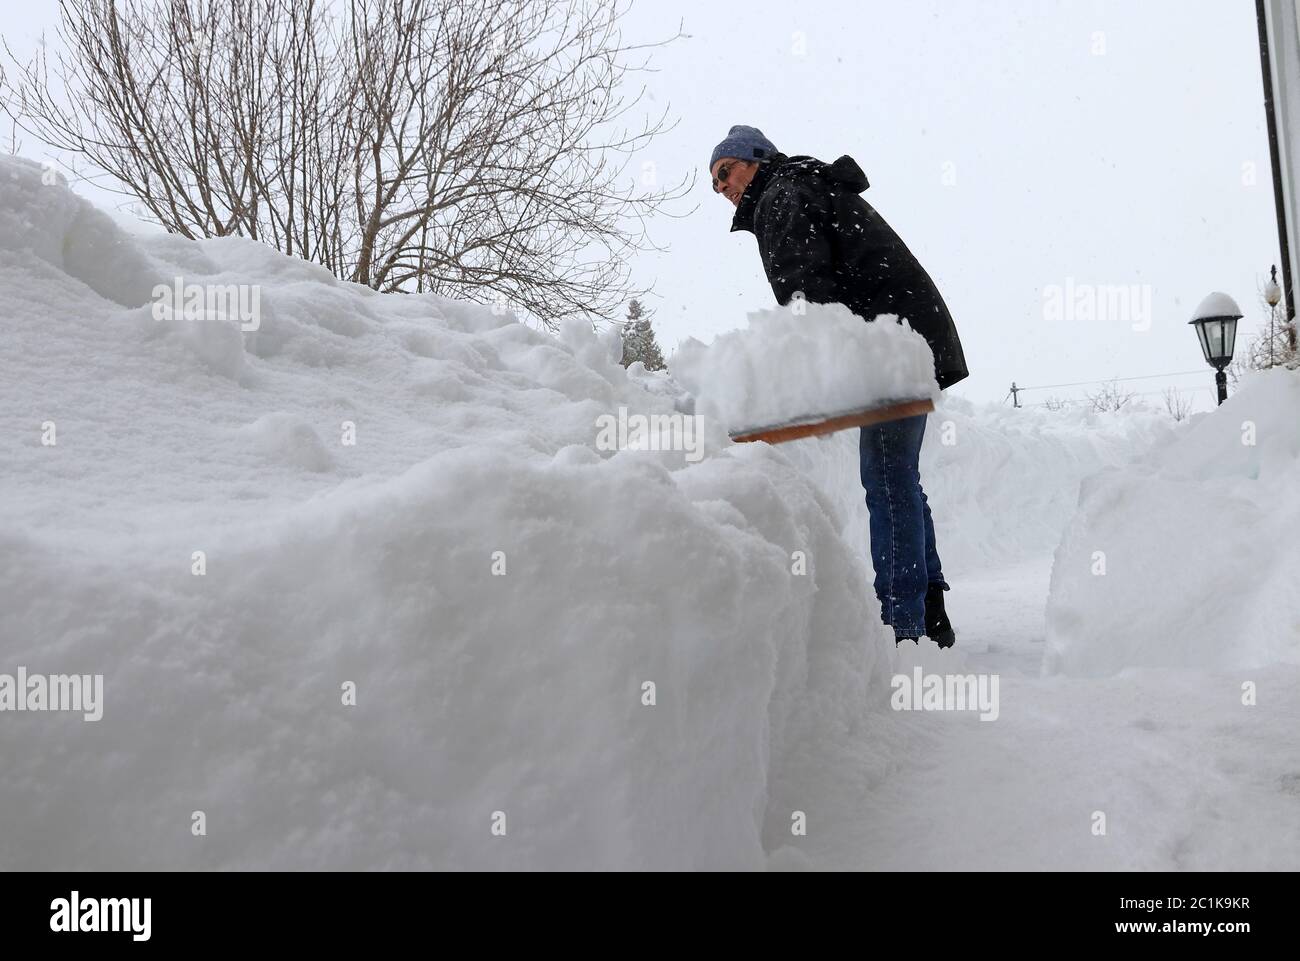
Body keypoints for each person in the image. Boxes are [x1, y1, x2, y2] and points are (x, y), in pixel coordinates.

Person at [708, 125, 968, 647]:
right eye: (715, 186)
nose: (722, 189)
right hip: (904, 338)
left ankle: (905, 627)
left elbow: (806, 298)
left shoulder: (782, 196)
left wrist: (788, 382)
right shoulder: (802, 185)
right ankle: (928, 610)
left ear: (756, 159)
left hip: (893, 345)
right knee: (898, 478)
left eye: (725, 172)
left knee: (887, 478)